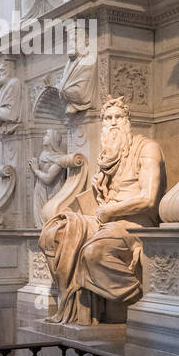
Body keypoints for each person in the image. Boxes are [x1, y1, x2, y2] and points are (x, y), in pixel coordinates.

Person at [38, 96, 165, 325]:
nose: (113, 123)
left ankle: (139, 296)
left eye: (118, 117)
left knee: (93, 253)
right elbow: (101, 204)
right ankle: (68, 303)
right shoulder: (108, 157)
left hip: (135, 224)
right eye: (108, 118)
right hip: (105, 221)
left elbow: (148, 199)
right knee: (53, 233)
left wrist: (110, 210)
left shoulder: (147, 148)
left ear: (127, 120)